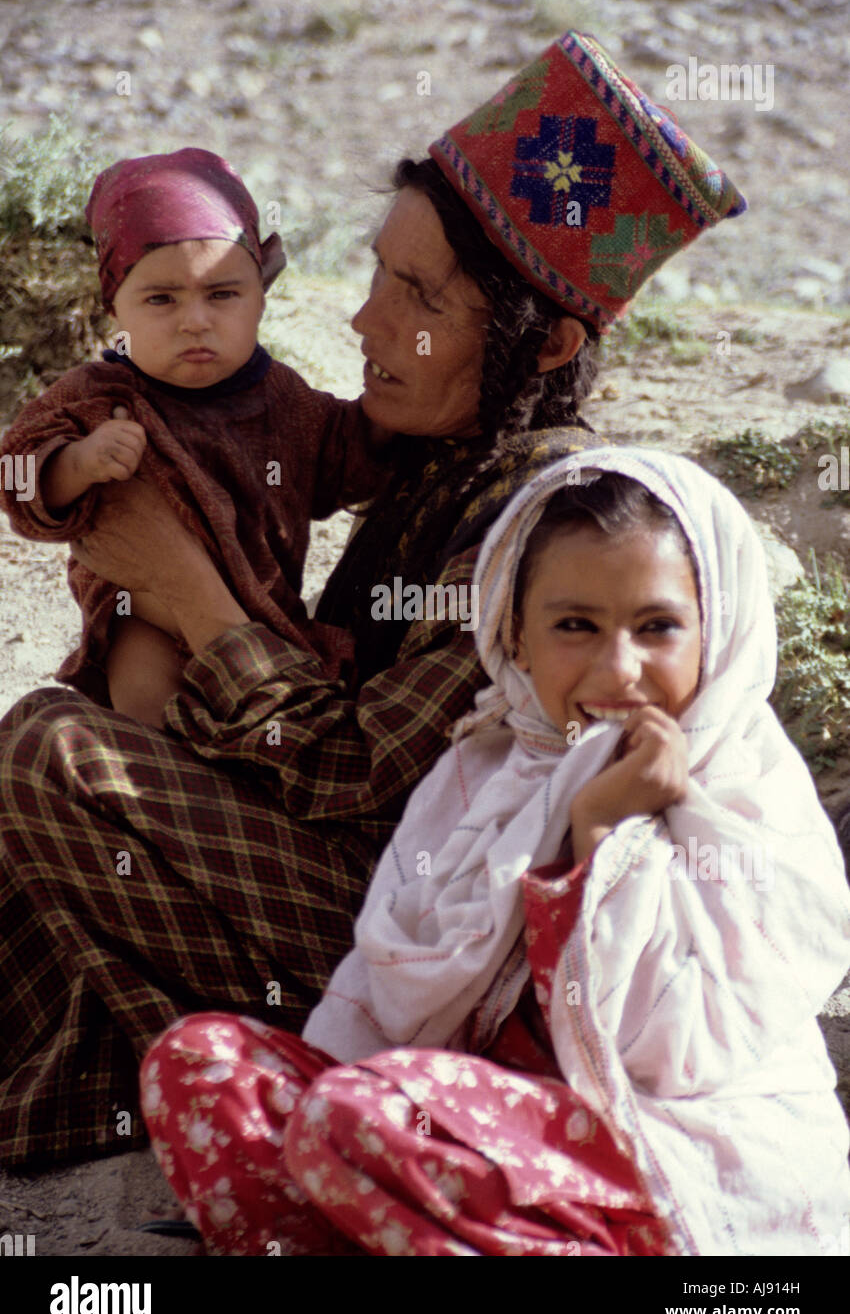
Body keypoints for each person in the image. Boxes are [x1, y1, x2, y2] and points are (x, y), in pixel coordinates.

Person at [0, 30, 745, 1170]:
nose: (363, 324)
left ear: (541, 340)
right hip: (337, 877)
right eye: (373, 276)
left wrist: (193, 595)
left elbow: (349, 777)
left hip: (415, 934)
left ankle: (282, 1082)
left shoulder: (546, 525)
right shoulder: (433, 458)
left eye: (415, 294)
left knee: (50, 753)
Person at [140, 449, 850, 1258]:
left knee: (357, 1117)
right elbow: (390, 993)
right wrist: (339, 1112)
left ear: (716, 628)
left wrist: (602, 834)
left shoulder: (746, 797)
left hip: (656, 1164)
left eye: (658, 627)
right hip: (468, 1129)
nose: (619, 669)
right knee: (203, 1062)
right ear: (514, 633)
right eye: (574, 626)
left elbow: (664, 1052)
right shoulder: (484, 771)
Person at [0, 148, 388, 725]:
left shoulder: (283, 398)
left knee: (249, 723)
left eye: (222, 294)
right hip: (143, 615)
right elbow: (16, 473)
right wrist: (77, 464)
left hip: (255, 621)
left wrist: (396, 419)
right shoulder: (98, 396)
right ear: (115, 309)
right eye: (160, 299)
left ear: (261, 294)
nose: (195, 321)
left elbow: (347, 452)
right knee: (146, 702)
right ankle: (159, 777)